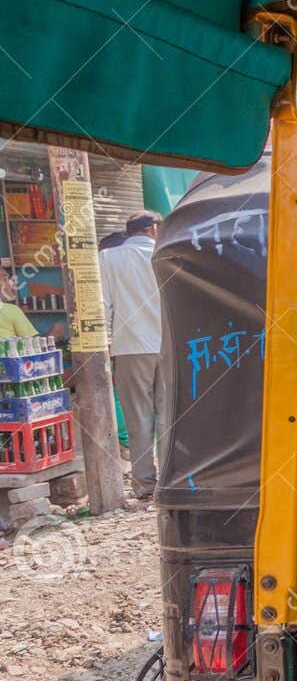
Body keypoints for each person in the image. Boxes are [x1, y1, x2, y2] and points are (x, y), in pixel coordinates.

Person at [100, 210, 164, 499]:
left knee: (138, 419)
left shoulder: (108, 259)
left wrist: (104, 349)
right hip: (170, 347)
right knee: (169, 416)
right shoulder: (167, 254)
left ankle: (144, 485)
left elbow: (103, 307)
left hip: (130, 349)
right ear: (152, 229)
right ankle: (172, 482)